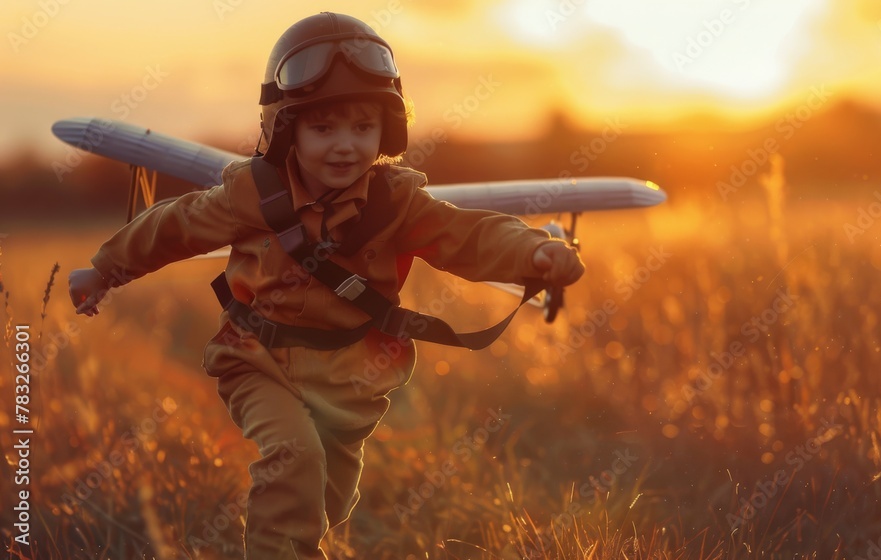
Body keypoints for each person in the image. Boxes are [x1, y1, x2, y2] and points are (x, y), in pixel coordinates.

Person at [67, 12, 584, 560]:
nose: (345, 146)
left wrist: (534, 251)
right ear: (286, 129)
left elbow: (468, 234)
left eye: (363, 127)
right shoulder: (250, 195)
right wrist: (105, 270)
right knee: (294, 461)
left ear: (388, 131)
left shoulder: (398, 202)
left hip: (353, 376)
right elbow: (174, 226)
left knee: (326, 502)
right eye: (323, 128)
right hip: (258, 356)